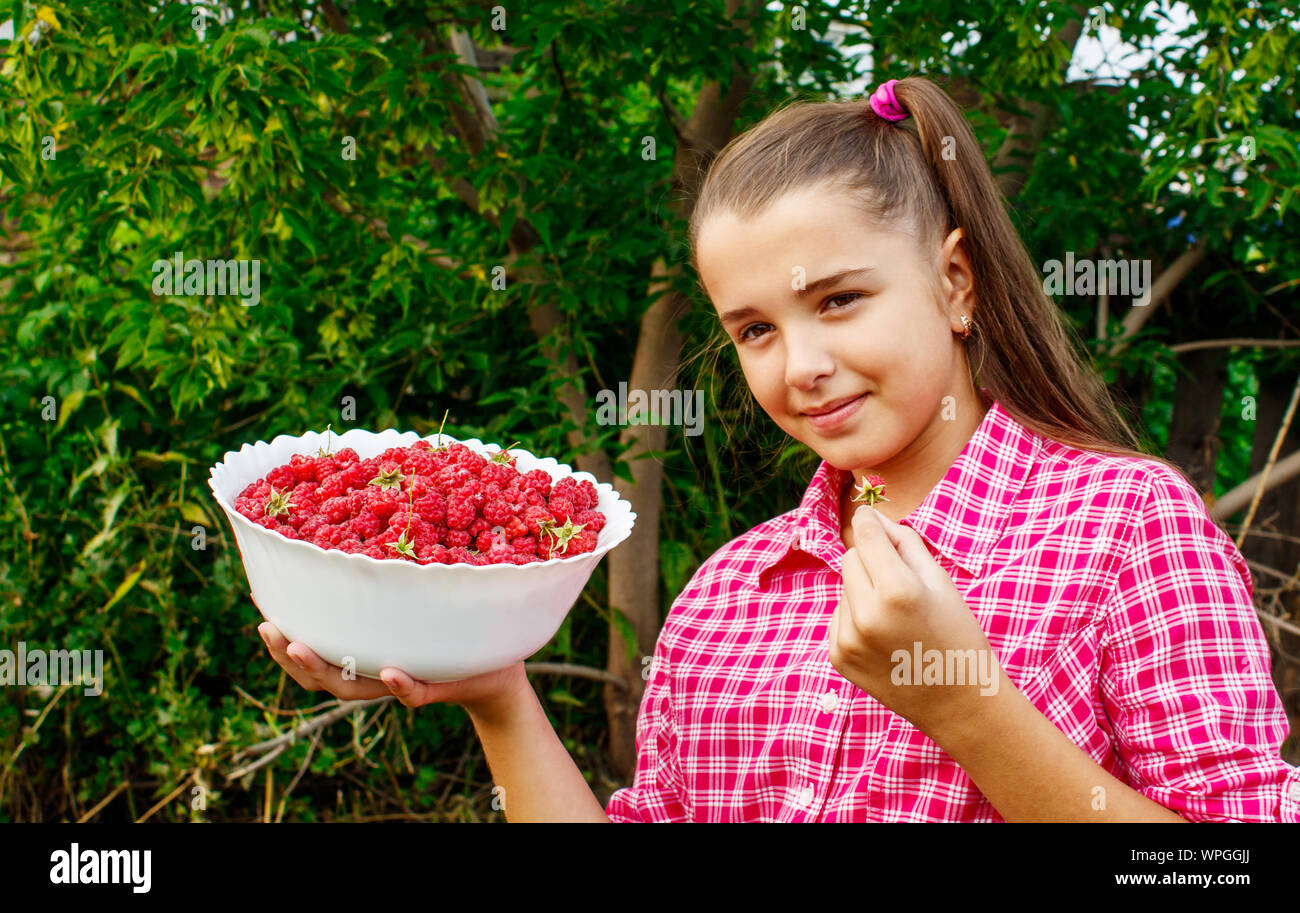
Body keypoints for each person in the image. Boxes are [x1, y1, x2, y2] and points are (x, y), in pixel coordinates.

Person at [256, 76, 1300, 822]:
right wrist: (492, 689)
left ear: (954, 282)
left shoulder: (1125, 529)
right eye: (755, 329)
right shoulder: (727, 594)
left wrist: (969, 710)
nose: (799, 364)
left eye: (838, 300)